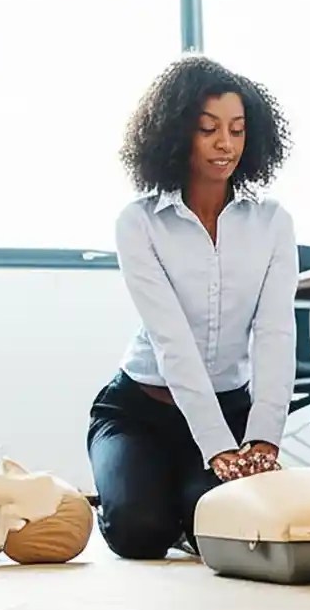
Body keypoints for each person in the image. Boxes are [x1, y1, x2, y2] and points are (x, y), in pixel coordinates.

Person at [87, 54, 298, 560]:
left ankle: (189, 508)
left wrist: (263, 440)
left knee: (229, 531)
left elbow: (274, 333)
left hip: (232, 410)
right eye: (208, 129)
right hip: (140, 413)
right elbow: (171, 341)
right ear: (178, 133)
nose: (225, 144)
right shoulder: (138, 222)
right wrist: (217, 449)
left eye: (237, 129)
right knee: (140, 532)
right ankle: (153, 498)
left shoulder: (272, 223)